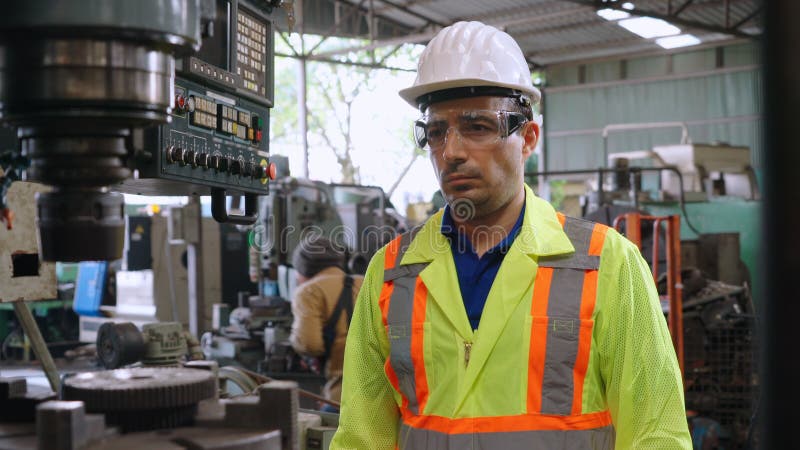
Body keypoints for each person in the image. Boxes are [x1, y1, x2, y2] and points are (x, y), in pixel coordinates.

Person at [330, 21, 691, 449]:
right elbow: (361, 438)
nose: (451, 152)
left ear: (528, 138)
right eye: (437, 132)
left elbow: (657, 434)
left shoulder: (607, 265)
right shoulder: (392, 273)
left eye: (478, 127)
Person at [289, 235, 364, 412]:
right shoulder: (365, 281)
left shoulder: (308, 291)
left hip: (343, 394)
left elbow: (310, 344)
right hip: (382, 391)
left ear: (303, 269)